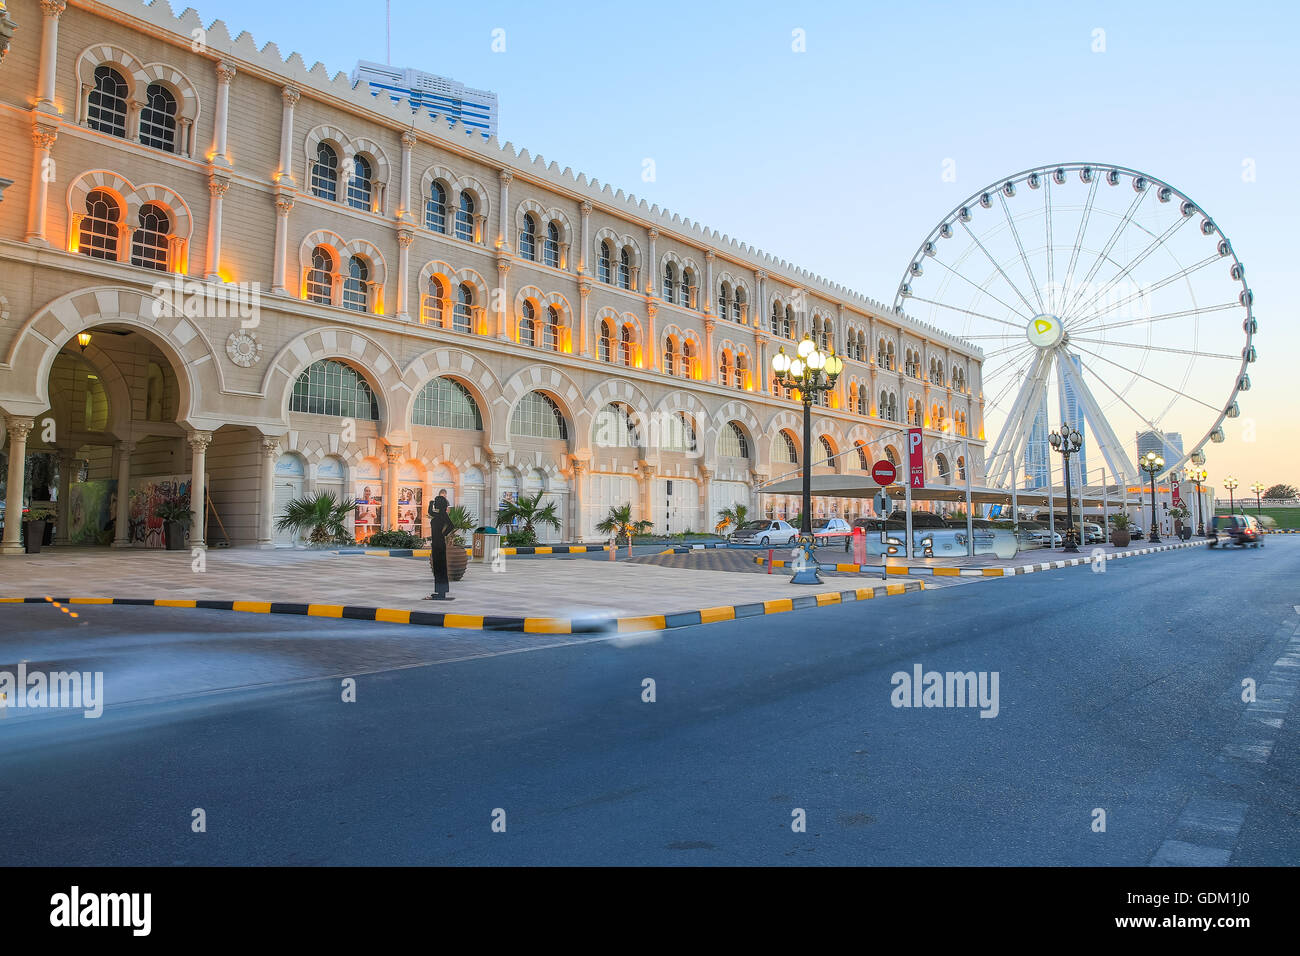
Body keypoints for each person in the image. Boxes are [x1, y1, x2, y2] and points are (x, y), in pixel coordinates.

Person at [425, 494, 454, 601]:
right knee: (437, 568)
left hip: (439, 543)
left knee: (441, 568)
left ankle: (442, 592)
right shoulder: (438, 514)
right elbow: (430, 512)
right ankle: (439, 591)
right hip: (436, 543)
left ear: (440, 504)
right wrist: (430, 503)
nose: (435, 504)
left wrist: (443, 534)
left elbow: (451, 525)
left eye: (437, 502)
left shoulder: (443, 515)